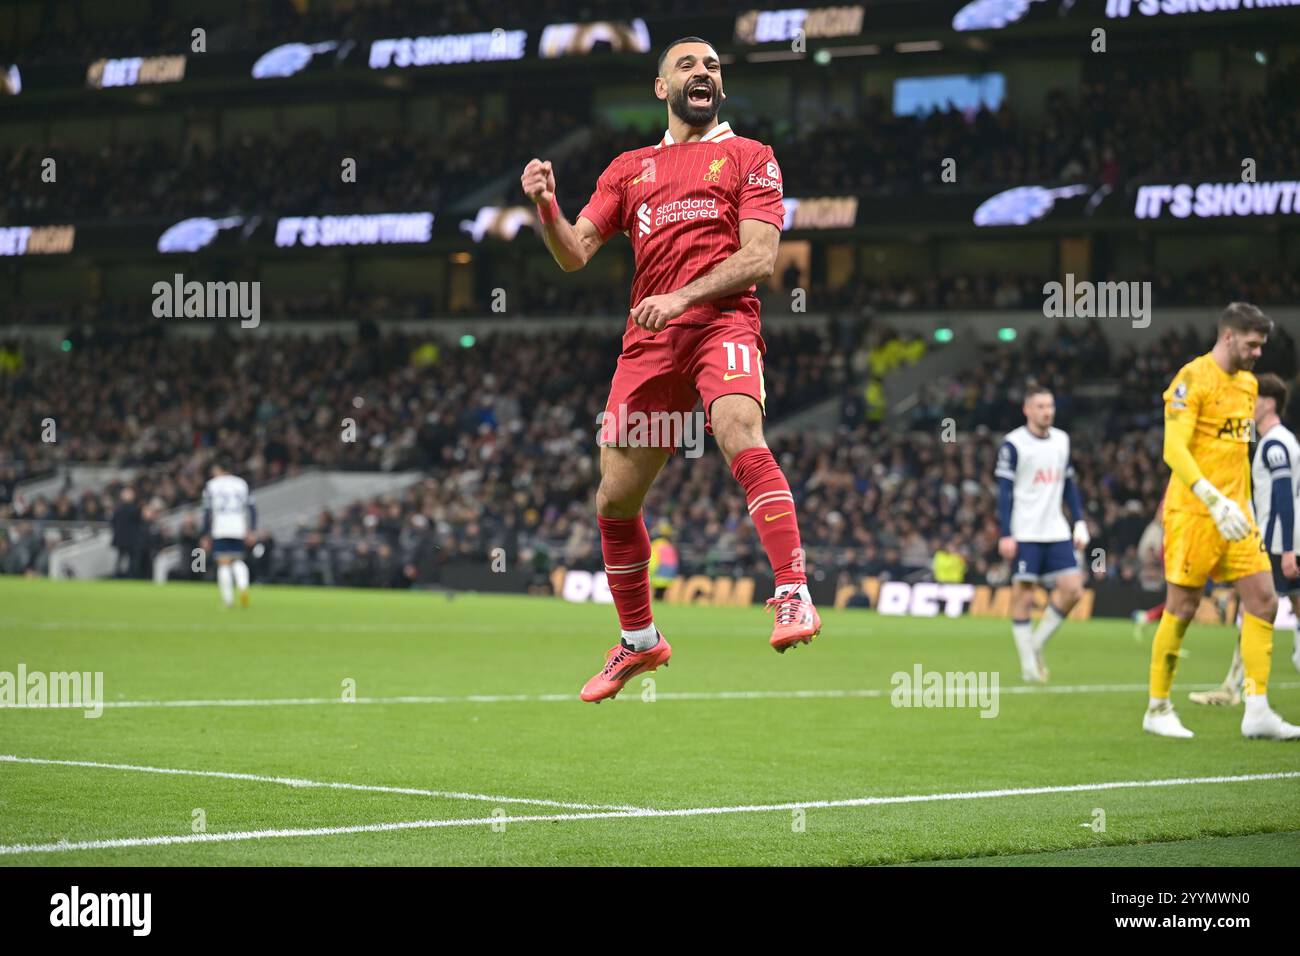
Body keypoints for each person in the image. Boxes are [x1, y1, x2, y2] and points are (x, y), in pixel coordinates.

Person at [522, 36, 820, 703]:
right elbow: (574, 253)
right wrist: (545, 207)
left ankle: (793, 593)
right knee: (614, 499)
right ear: (662, 88)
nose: (703, 72)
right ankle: (638, 642)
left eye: (712, 65)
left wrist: (684, 296)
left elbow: (759, 258)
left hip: (720, 323)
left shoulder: (751, 157)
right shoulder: (628, 168)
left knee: (739, 430)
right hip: (650, 340)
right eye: (688, 64)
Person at [1145, 303, 1299, 739]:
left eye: (1261, 346)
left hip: (1238, 517)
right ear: (1229, 337)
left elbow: (1235, 455)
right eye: (1252, 344)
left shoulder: (1249, 386)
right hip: (1195, 512)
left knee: (1265, 600)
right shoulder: (1191, 379)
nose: (1257, 354)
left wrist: (1241, 505)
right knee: (1183, 607)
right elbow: (1174, 450)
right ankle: (1157, 708)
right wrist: (1213, 500)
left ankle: (1257, 709)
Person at [1189, 372, 1300, 708]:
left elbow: (1282, 497)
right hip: (1288, 541)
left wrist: (1286, 551)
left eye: (1251, 400)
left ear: (1267, 403)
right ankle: (1233, 683)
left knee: (1251, 610)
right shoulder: (1284, 439)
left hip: (1279, 543)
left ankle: (1233, 686)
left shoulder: (1274, 443)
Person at [995, 384, 1090, 683]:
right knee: (1023, 597)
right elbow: (1004, 493)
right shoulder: (1013, 444)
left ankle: (1034, 646)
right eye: (1040, 406)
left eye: (1049, 406)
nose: (1046, 411)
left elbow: (1070, 484)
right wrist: (1005, 533)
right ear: (1027, 409)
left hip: (1056, 529)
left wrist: (1080, 521)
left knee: (1074, 589)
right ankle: (1028, 668)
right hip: (1025, 532)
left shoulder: (1062, 440)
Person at [200, 461, 256, 609]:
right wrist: (252, 529)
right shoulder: (242, 484)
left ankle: (228, 599)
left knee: (223, 563)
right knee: (238, 560)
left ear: (219, 469)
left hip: (221, 527)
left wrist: (205, 533)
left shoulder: (212, 485)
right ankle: (243, 588)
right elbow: (252, 509)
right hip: (238, 527)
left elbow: (207, 512)